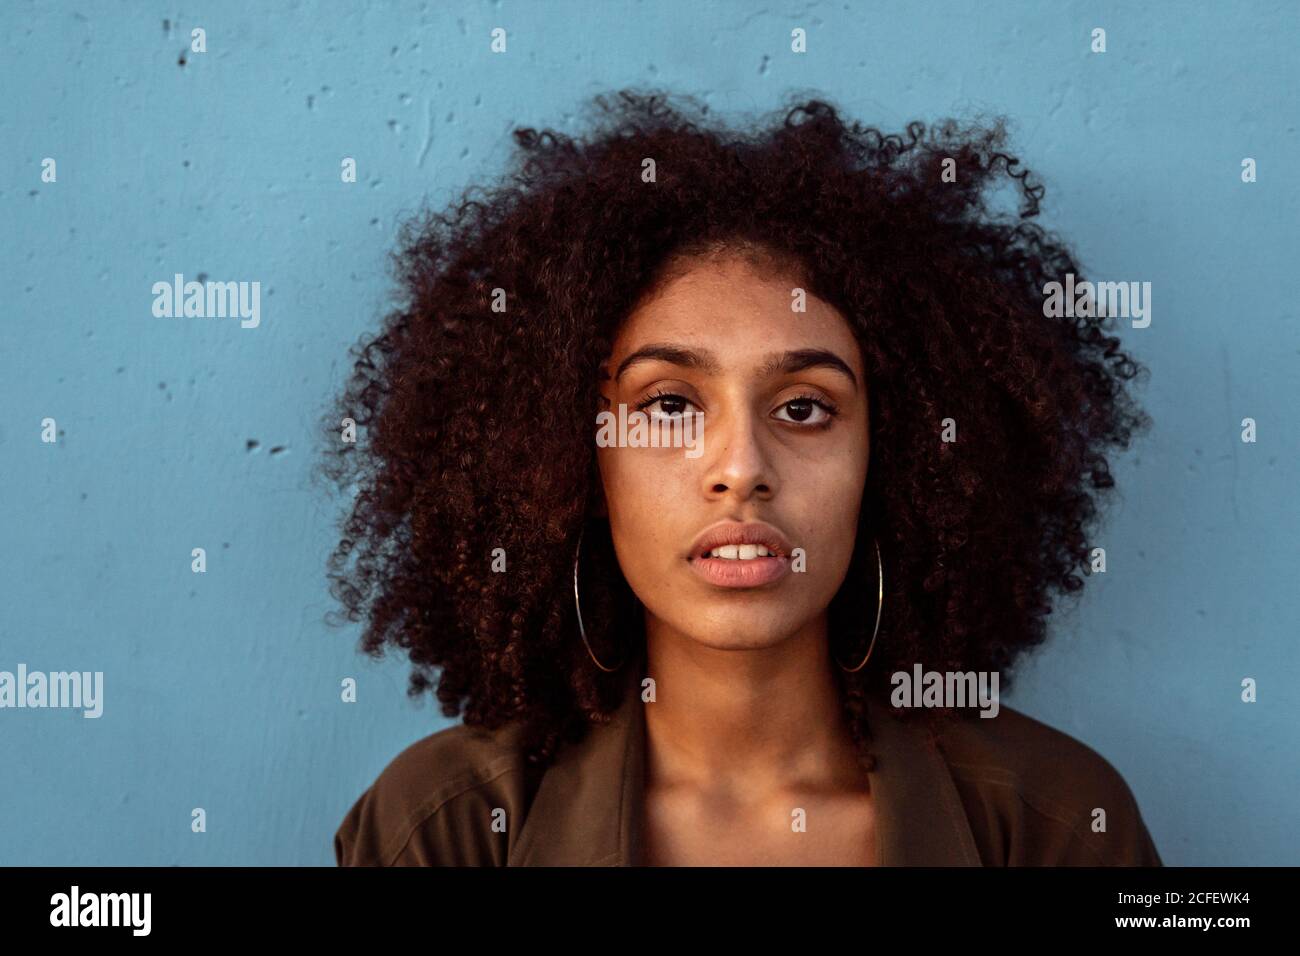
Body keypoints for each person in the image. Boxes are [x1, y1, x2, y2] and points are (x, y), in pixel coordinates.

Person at [323, 89, 1162, 866]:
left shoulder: (1057, 822)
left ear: (898, 459)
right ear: (573, 460)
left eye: (804, 408)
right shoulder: (446, 826)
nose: (740, 470)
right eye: (670, 405)